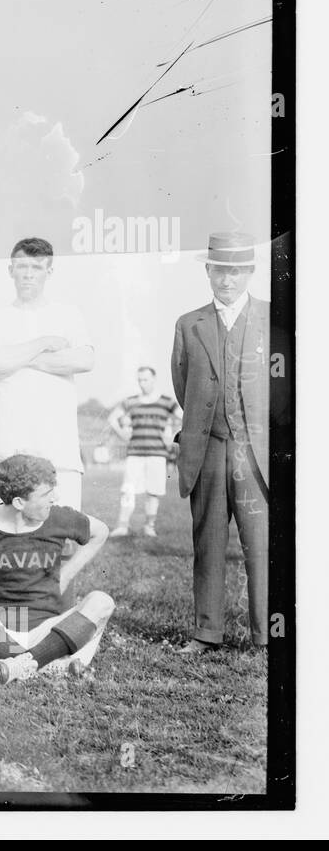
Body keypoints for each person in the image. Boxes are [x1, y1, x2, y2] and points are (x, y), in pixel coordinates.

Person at [171, 232, 270, 654]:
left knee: (261, 544)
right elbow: (182, 384)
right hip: (208, 447)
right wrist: (205, 425)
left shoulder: (275, 316)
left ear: (248, 272)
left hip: (257, 452)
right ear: (208, 271)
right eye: (219, 270)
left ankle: (267, 636)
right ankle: (206, 633)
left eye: (235, 271)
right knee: (208, 542)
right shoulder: (189, 323)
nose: (226, 280)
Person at [0, 454, 113, 683]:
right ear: (19, 503)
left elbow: (100, 531)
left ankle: (28, 662)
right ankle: (50, 663)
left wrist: (66, 574)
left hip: (44, 632)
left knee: (102, 602)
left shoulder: (59, 518)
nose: (55, 498)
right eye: (46, 494)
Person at [0, 238, 94, 508]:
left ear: (50, 271)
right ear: (11, 270)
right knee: (15, 528)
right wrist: (43, 343)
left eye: (36, 267)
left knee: (66, 531)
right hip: (14, 438)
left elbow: (85, 359)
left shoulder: (68, 314)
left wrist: (15, 357)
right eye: (22, 266)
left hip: (59, 440)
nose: (28, 274)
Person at [106, 367, 182, 537]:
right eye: (140, 380)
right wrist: (122, 433)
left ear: (154, 380)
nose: (142, 383)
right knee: (128, 490)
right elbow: (112, 418)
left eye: (145, 379)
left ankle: (149, 526)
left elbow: (184, 418)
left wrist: (172, 436)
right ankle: (122, 526)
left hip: (157, 454)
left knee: (153, 492)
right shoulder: (131, 401)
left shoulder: (166, 401)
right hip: (135, 453)